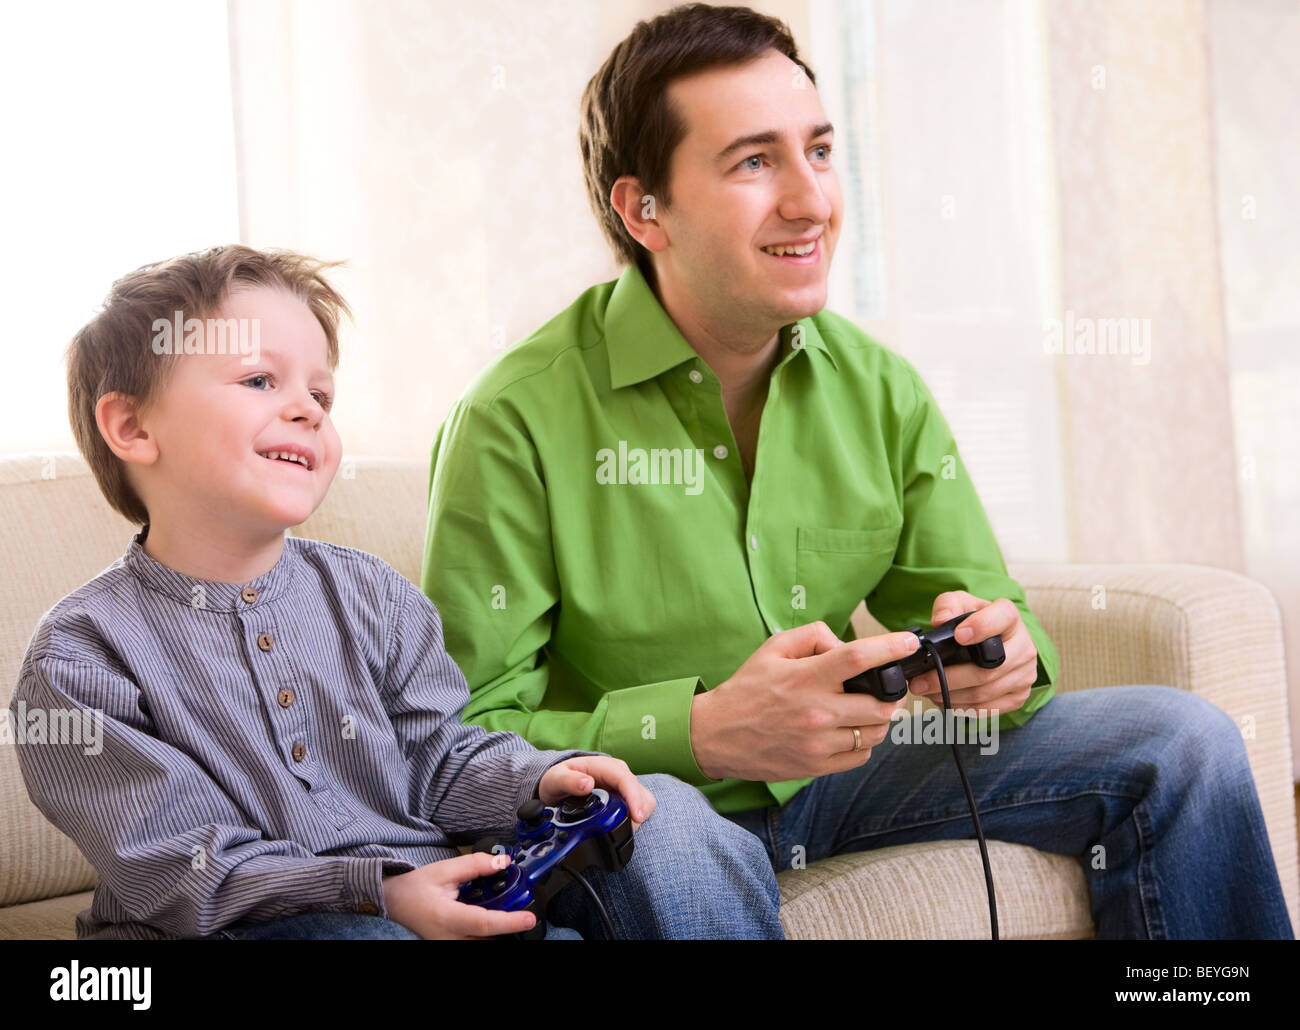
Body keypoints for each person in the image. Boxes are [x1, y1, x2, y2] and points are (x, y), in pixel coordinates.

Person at [421, 3, 1294, 939]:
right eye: (754, 162)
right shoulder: (513, 419)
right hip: (654, 799)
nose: (813, 201)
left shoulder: (879, 389)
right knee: (663, 833)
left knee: (1183, 742)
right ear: (645, 211)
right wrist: (702, 728)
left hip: (843, 776)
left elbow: (991, 610)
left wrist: (1005, 656)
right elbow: (459, 740)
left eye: (821, 151)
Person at [8, 244, 673, 941]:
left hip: (437, 899)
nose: (307, 410)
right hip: (247, 928)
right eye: (260, 380)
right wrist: (375, 893)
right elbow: (183, 867)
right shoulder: (82, 657)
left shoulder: (374, 596)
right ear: (133, 427)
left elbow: (437, 760)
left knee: (663, 815)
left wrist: (537, 778)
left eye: (321, 396)